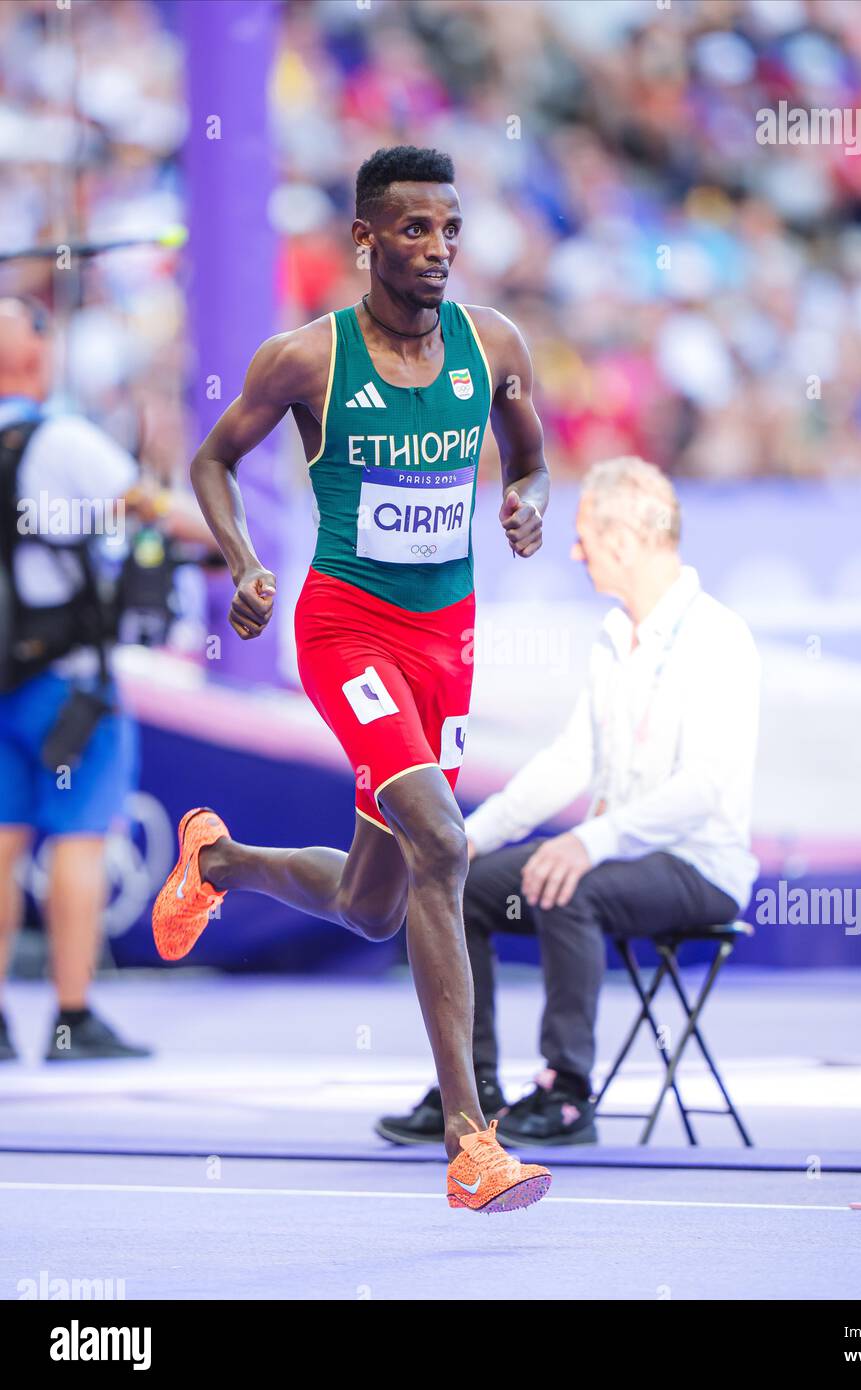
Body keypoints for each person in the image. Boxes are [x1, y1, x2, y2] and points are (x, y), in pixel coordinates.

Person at [151, 146, 553, 1213]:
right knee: (444, 841)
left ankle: (219, 858)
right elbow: (211, 461)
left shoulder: (494, 343)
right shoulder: (307, 360)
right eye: (415, 230)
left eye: (451, 230)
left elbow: (531, 454)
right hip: (346, 635)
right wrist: (243, 563)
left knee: (374, 903)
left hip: (447, 643)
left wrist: (528, 501)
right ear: (366, 240)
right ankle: (471, 1137)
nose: (438, 250)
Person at [377, 456, 761, 1146]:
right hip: (620, 856)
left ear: (621, 540)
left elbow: (702, 790)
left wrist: (591, 840)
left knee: (566, 885)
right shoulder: (614, 636)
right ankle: (470, 1084)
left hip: (699, 866)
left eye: (584, 534)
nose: (576, 549)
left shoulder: (717, 637)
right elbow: (569, 761)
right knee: (455, 887)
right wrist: (468, 837)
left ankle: (566, 1092)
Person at [0, 297, 150, 1062]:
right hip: (67, 681)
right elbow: (146, 504)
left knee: (0, 839)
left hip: (3, 679)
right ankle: (71, 1016)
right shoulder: (60, 438)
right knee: (79, 837)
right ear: (34, 356)